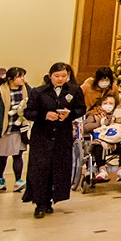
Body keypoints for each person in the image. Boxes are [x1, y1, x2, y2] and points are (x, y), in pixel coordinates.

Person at [21, 62, 85, 218]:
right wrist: (45, 115)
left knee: (58, 169)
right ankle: (39, 203)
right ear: (50, 76)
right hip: (42, 136)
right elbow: (28, 112)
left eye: (64, 76)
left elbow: (81, 108)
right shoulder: (39, 92)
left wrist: (69, 114)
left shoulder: (74, 91)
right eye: (57, 76)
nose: (60, 79)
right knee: (40, 169)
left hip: (62, 137)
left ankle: (50, 200)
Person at [81, 90, 121, 188]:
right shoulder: (94, 114)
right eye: (105, 103)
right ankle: (102, 171)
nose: (108, 105)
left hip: (118, 139)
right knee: (98, 146)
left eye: (111, 103)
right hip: (102, 139)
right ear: (100, 104)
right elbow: (86, 127)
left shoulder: (119, 113)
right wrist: (101, 123)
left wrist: (120, 127)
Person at [0, 67, 28, 191]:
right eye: (19, 77)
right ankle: (1, 179)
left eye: (23, 76)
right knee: (1, 156)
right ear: (10, 79)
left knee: (18, 155)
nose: (22, 79)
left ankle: (18, 180)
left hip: (19, 129)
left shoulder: (26, 91)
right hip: (4, 129)